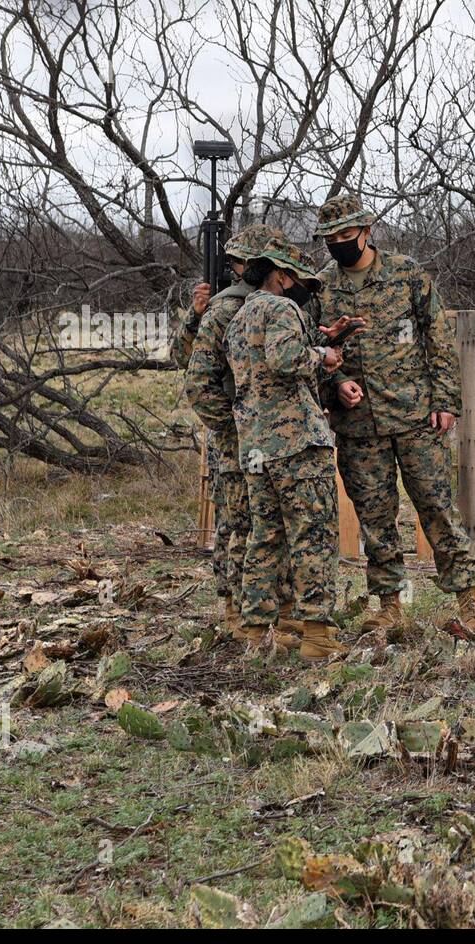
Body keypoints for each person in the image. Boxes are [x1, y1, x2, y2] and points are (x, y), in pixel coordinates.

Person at [312, 194, 475, 637]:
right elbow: (316, 352)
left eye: (346, 236)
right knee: (375, 516)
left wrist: (446, 401)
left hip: (415, 416)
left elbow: (438, 339)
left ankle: (469, 600)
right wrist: (335, 384)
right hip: (359, 426)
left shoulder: (406, 273)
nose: (338, 244)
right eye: (330, 239)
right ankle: (388, 606)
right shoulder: (321, 288)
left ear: (367, 232)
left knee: (436, 508)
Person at [224, 238, 351, 660]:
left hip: (256, 446)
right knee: (313, 535)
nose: (302, 289)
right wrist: (324, 355)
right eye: (298, 279)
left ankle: (255, 631)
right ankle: (317, 636)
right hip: (296, 442)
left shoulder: (238, 318)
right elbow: (284, 358)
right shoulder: (282, 308)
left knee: (266, 536)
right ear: (281, 275)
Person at [184, 225, 298, 644]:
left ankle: (282, 611)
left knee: (274, 524)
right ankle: (235, 610)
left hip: (272, 436)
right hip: (236, 438)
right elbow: (196, 380)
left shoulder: (273, 307)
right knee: (238, 524)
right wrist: (234, 427)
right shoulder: (224, 310)